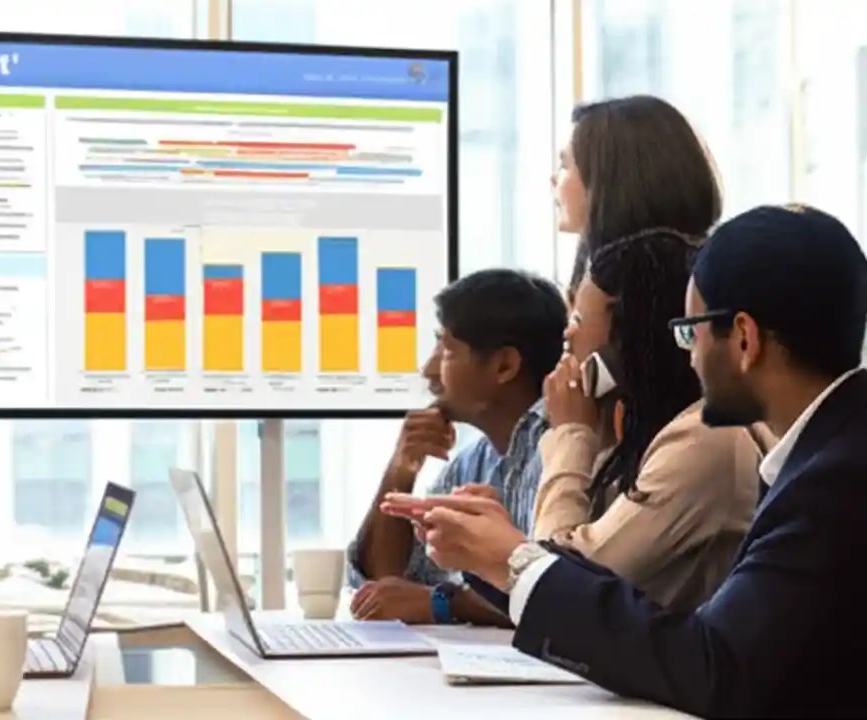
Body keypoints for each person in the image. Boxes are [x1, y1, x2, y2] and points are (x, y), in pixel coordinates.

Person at [417, 204, 867, 717]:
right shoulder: (827, 450)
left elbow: (716, 667)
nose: (689, 357)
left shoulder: (834, 478)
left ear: (744, 339)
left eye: (690, 332)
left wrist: (517, 564)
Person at [532, 229, 764, 609]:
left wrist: (571, 436)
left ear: (627, 343)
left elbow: (554, 584)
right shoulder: (641, 434)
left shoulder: (706, 441)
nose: (567, 336)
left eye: (577, 319)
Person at [346, 269, 567, 625]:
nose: (428, 369)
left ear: (504, 366)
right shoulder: (476, 459)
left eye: (446, 351)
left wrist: (442, 604)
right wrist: (401, 468)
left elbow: (555, 592)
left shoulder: (560, 445)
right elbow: (385, 586)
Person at [553, 95, 722, 298]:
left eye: (564, 165)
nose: (553, 178)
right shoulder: (595, 269)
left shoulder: (643, 286)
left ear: (610, 178)